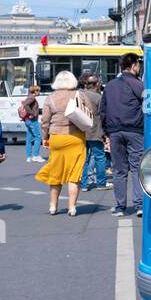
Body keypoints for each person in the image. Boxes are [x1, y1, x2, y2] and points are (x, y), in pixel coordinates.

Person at [37, 71, 89, 216]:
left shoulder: (50, 98)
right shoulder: (80, 95)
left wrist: (44, 137)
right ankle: (72, 207)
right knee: (74, 174)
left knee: (56, 172)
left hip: (56, 138)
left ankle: (53, 206)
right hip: (76, 137)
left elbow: (45, 122)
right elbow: (88, 113)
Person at [101, 52, 144, 217]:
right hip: (135, 131)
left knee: (119, 170)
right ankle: (139, 205)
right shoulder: (139, 85)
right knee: (137, 168)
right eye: (138, 64)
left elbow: (102, 111)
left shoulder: (110, 86)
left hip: (114, 132)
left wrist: (106, 132)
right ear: (134, 66)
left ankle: (120, 206)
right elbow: (147, 107)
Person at [78, 73, 108, 191]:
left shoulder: (79, 95)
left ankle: (83, 184)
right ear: (97, 84)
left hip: (81, 131)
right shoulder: (98, 98)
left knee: (83, 159)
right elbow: (103, 115)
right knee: (100, 157)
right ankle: (101, 183)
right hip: (95, 131)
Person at [20, 85, 44, 163]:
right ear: (35, 91)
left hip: (27, 120)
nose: (39, 92)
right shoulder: (32, 98)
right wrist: (32, 113)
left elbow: (29, 106)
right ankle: (36, 156)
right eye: (38, 91)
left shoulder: (29, 97)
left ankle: (28, 157)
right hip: (32, 120)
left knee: (29, 139)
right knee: (38, 137)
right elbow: (26, 105)